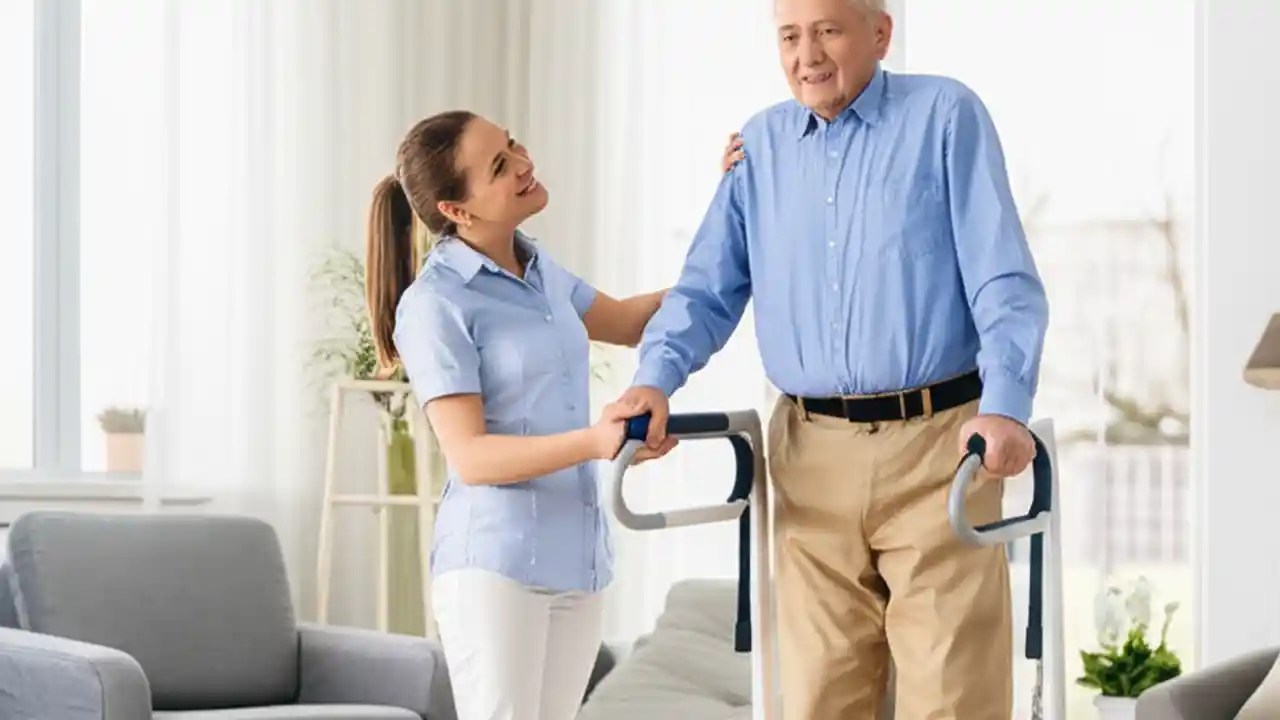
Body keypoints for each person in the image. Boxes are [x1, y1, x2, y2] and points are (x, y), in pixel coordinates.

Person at [616, 0, 1050, 718]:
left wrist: (1006, 406)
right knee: (816, 697)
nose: (807, 54)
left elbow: (1001, 275)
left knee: (951, 696)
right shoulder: (758, 147)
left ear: (880, 33)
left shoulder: (945, 116)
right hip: (807, 454)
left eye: (828, 30)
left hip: (938, 443)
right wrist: (653, 380)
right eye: (790, 35)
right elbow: (705, 290)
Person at [364, 110, 732, 720]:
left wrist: (728, 216)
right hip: (497, 568)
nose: (524, 162)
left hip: (578, 559)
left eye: (512, 145)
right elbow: (471, 457)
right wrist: (595, 441)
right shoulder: (435, 305)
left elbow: (632, 319)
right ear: (458, 210)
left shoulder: (539, 272)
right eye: (500, 166)